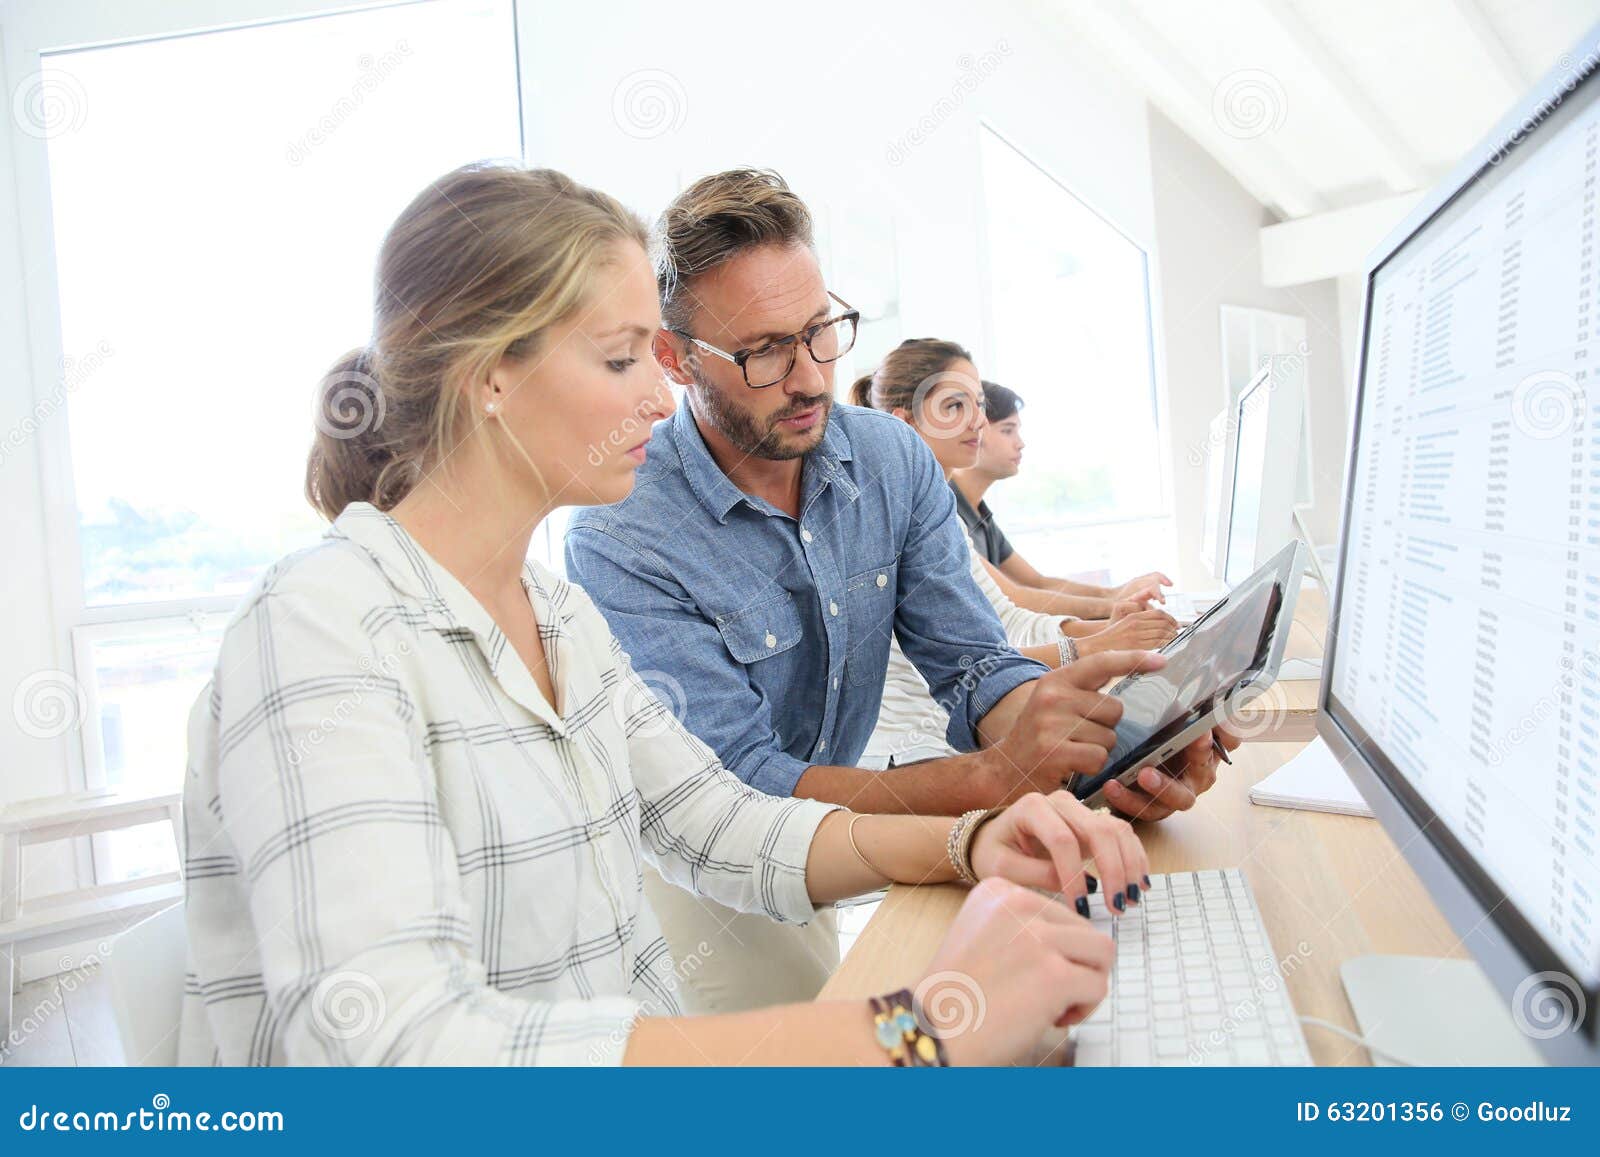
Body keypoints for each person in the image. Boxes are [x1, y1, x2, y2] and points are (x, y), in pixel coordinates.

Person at [178, 162, 1150, 1068]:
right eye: (618, 359)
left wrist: (974, 836)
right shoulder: (318, 632)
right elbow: (397, 1045)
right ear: (488, 375)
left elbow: (721, 822)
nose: (657, 394)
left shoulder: (555, 614)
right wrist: (920, 1026)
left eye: (654, 352)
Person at [564, 168, 1230, 1011]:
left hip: (837, 819)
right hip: (703, 876)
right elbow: (739, 791)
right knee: (794, 1049)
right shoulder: (622, 534)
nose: (808, 377)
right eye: (765, 350)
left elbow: (972, 664)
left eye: (820, 331)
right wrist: (989, 787)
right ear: (676, 357)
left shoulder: (887, 457)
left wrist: (1114, 747)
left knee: (883, 1019)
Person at [851, 340, 1179, 769]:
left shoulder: (936, 513)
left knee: (1149, 747)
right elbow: (957, 660)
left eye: (979, 405)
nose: (978, 422)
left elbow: (1009, 620)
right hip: (915, 755)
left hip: (957, 740)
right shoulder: (883, 522)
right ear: (903, 424)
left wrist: (1099, 629)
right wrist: (1095, 643)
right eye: (954, 406)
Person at [952, 381, 1174, 617]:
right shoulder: (949, 510)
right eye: (1007, 430)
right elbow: (1015, 598)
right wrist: (1115, 606)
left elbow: (1038, 582)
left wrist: (1116, 594)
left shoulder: (979, 513)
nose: (1021, 443)